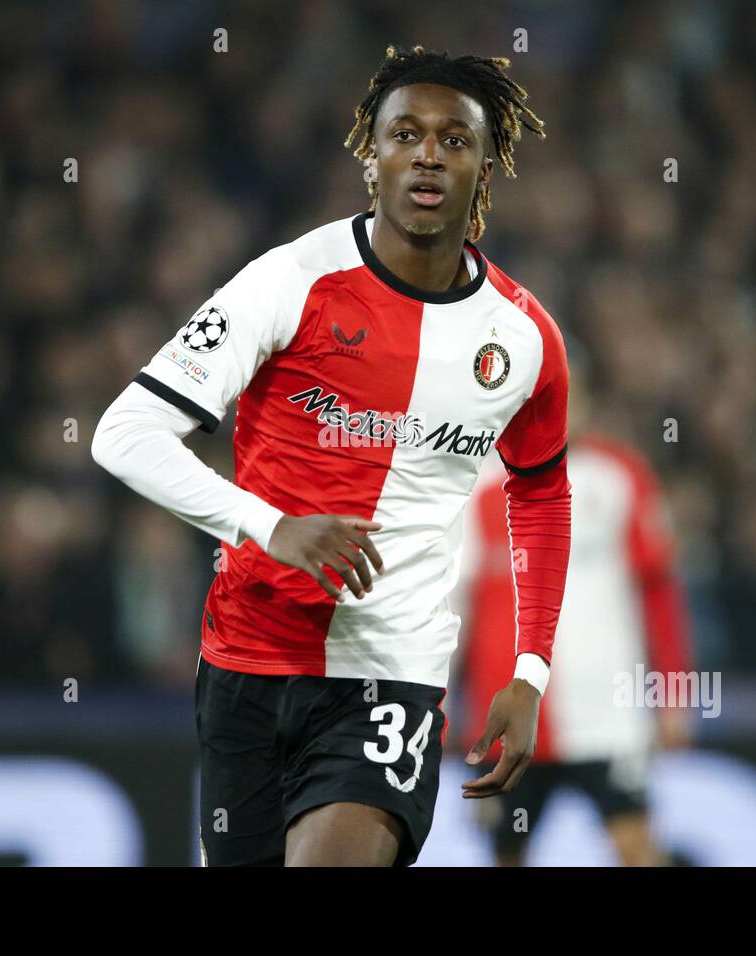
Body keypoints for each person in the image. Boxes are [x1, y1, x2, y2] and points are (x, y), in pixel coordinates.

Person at [92, 45, 571, 867]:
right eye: (405, 134)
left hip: (393, 671)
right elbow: (124, 434)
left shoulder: (524, 339)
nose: (428, 154)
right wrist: (269, 525)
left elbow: (540, 496)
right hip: (247, 659)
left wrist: (531, 671)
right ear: (371, 156)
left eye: (455, 139)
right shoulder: (288, 281)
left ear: (486, 167)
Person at [459, 364, 693, 866]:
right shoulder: (474, 487)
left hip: (607, 712)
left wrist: (674, 694)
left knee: (637, 848)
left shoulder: (621, 476)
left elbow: (659, 594)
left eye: (565, 397)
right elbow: (454, 608)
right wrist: (436, 704)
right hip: (506, 717)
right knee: (506, 854)